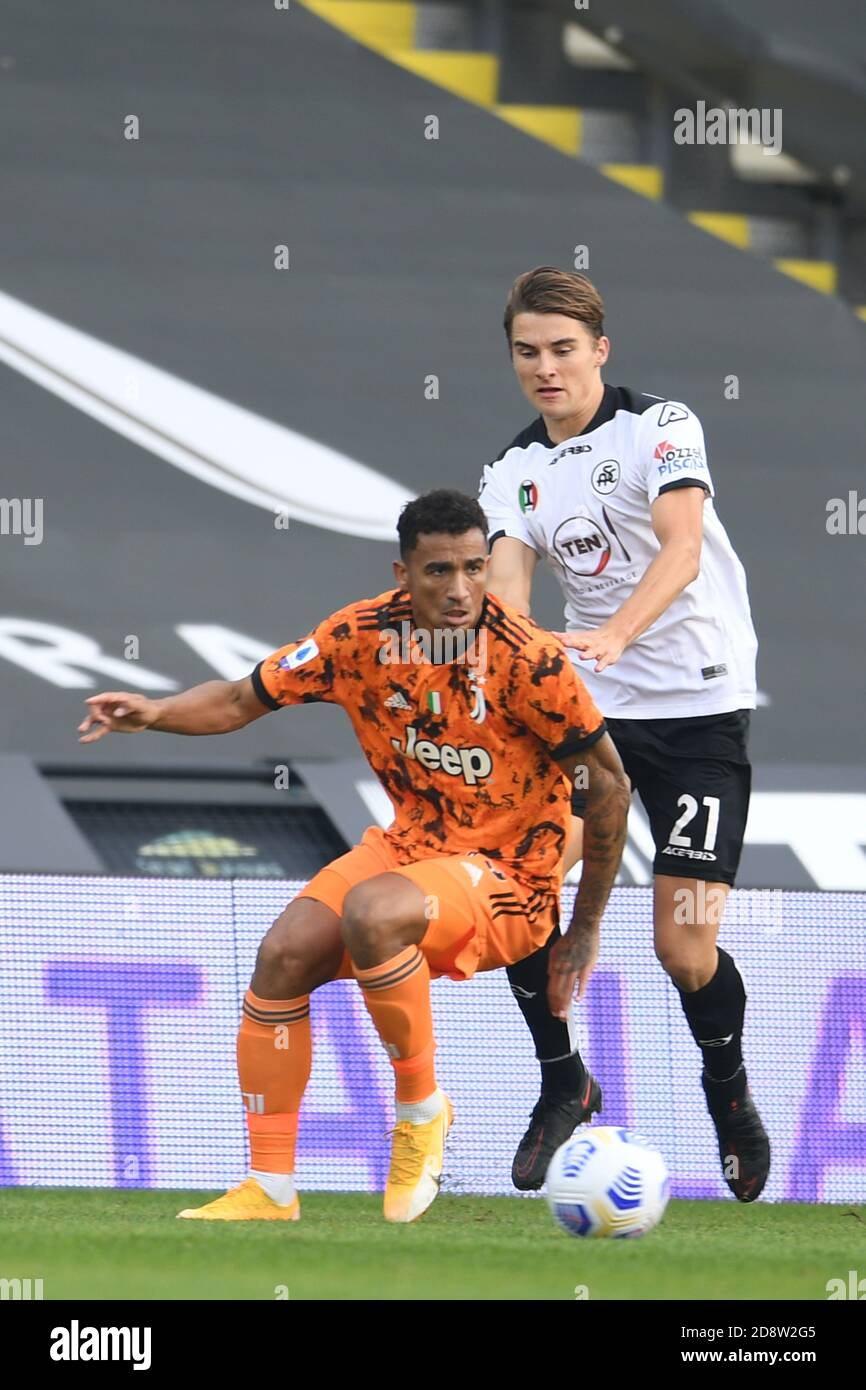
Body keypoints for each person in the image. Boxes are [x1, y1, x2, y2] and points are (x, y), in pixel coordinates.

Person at [78, 489, 630, 1223]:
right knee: (284, 954)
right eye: (439, 571)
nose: (461, 589)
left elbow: (611, 786)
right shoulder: (358, 637)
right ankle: (270, 1189)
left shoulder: (528, 662)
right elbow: (242, 700)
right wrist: (154, 713)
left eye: (474, 567)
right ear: (402, 574)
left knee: (374, 911)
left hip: (510, 876)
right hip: (409, 848)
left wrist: (584, 925)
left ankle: (421, 1112)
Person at [479, 266, 770, 1201]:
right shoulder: (513, 472)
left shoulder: (663, 427)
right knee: (518, 889)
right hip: (591, 720)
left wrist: (609, 635)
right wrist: (517, 670)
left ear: (600, 350)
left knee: (683, 945)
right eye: (528, 352)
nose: (545, 368)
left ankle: (726, 1087)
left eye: (563, 349)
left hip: (695, 705)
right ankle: (563, 1080)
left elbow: (682, 551)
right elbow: (509, 600)